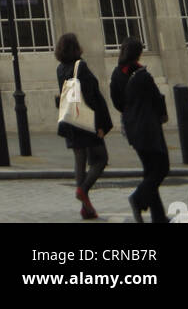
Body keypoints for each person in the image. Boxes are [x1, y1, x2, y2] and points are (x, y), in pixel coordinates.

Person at [110, 37, 170, 223]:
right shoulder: (142, 74)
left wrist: (130, 113)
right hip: (149, 127)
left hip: (132, 127)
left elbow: (117, 101)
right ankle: (138, 199)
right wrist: (161, 114)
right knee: (161, 168)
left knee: (149, 170)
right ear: (138, 53)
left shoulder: (117, 74)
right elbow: (156, 98)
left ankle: (158, 216)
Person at [54, 32, 112, 219]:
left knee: (79, 160)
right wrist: (101, 124)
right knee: (100, 159)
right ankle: (83, 189)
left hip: (70, 120)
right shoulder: (81, 66)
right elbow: (92, 97)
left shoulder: (60, 69)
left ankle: (86, 208)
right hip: (86, 120)